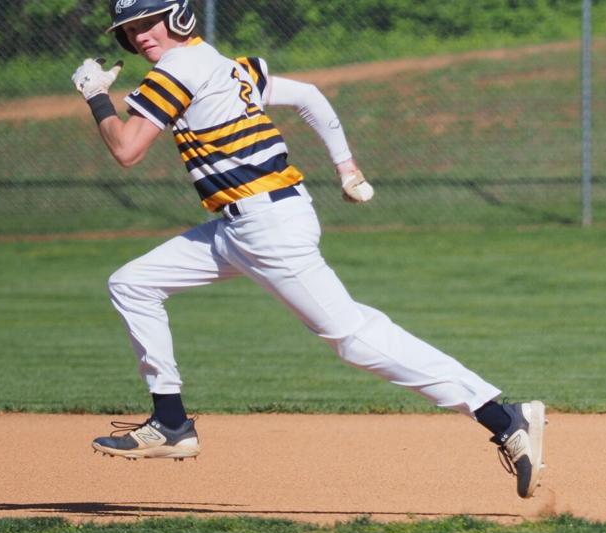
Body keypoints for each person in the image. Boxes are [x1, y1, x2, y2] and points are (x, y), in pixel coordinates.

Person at [70, 0, 546, 498]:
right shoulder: (226, 66)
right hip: (241, 227)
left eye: (148, 22)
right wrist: (346, 167)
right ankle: (170, 421)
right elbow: (310, 96)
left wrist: (97, 96)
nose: (140, 36)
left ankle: (502, 417)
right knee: (133, 283)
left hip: (266, 229)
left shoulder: (176, 69)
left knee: (354, 339)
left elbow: (126, 149)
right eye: (130, 30)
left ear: (178, 17)